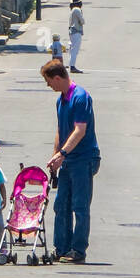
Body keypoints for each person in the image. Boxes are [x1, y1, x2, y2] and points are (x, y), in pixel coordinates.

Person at [41, 59, 101, 263]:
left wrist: (63, 154)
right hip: (67, 158)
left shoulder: (80, 97)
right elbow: (60, 129)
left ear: (58, 78)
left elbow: (80, 130)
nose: (50, 86)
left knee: (80, 205)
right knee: (61, 204)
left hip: (83, 157)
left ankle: (78, 250)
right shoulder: (61, 100)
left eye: (50, 82)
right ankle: (62, 248)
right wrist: (55, 155)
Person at [68, 0, 85, 73]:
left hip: (72, 31)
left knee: (72, 50)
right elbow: (82, 21)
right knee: (75, 49)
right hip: (76, 31)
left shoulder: (72, 10)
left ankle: (71, 64)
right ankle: (72, 66)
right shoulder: (77, 10)